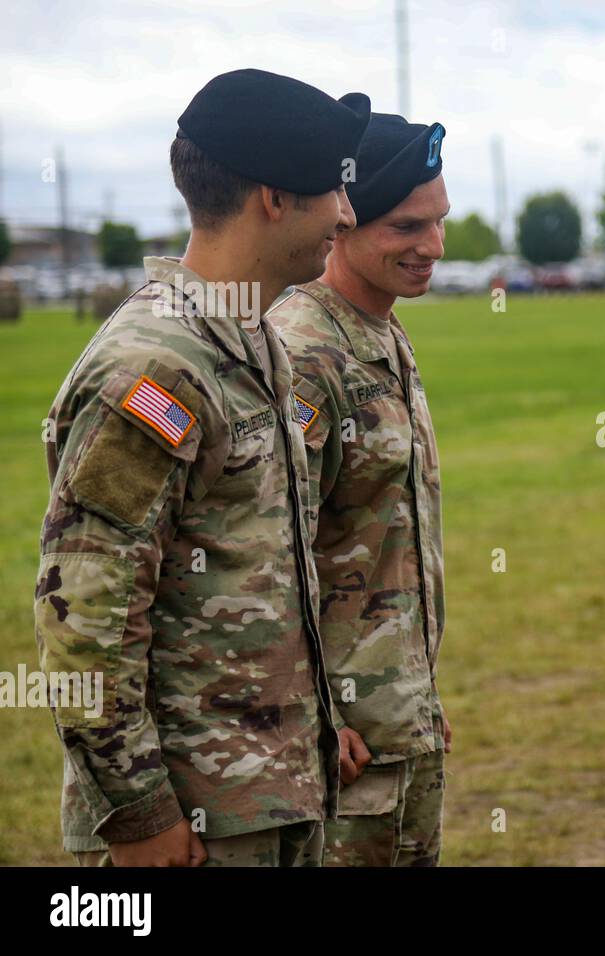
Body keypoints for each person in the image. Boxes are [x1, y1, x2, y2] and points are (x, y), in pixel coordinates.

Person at [34, 68, 370, 867]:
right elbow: (83, 621)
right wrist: (139, 816)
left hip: (263, 803)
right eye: (332, 190)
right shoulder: (156, 369)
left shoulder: (249, 343)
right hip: (189, 827)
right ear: (273, 198)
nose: (347, 215)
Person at [268, 113, 451, 866]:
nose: (433, 247)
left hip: (394, 721)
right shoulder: (306, 350)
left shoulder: (380, 328)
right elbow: (267, 550)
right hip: (338, 749)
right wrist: (306, 713)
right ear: (341, 223)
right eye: (407, 226)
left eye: (440, 221)